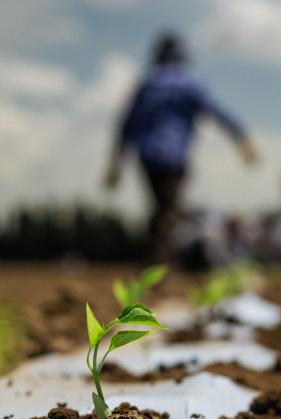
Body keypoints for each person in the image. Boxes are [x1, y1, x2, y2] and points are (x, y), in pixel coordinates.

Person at [105, 32, 258, 263]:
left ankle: (158, 260)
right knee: (167, 211)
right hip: (174, 157)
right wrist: (241, 139)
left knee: (160, 209)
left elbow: (127, 124)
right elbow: (218, 110)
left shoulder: (147, 84)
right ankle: (159, 264)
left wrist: (116, 162)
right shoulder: (189, 82)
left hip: (147, 157)